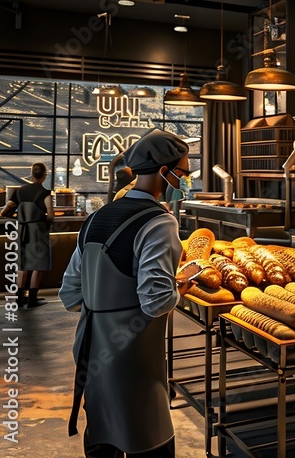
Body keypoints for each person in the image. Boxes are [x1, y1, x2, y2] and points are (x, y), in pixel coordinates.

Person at [59, 129, 196, 458]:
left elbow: (70, 294)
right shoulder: (159, 223)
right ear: (165, 172)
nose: (187, 180)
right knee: (147, 438)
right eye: (185, 173)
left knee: (102, 439)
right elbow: (157, 300)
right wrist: (181, 286)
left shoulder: (95, 219)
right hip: (133, 360)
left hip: (92, 353)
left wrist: (106, 303)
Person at [1, 162, 55, 308]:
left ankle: (19, 298)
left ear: (31, 174)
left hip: (22, 230)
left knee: (22, 264)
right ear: (44, 176)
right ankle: (32, 299)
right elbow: (51, 216)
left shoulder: (19, 192)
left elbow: (4, 212)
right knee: (38, 264)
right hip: (38, 231)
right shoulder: (45, 193)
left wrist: (19, 218)